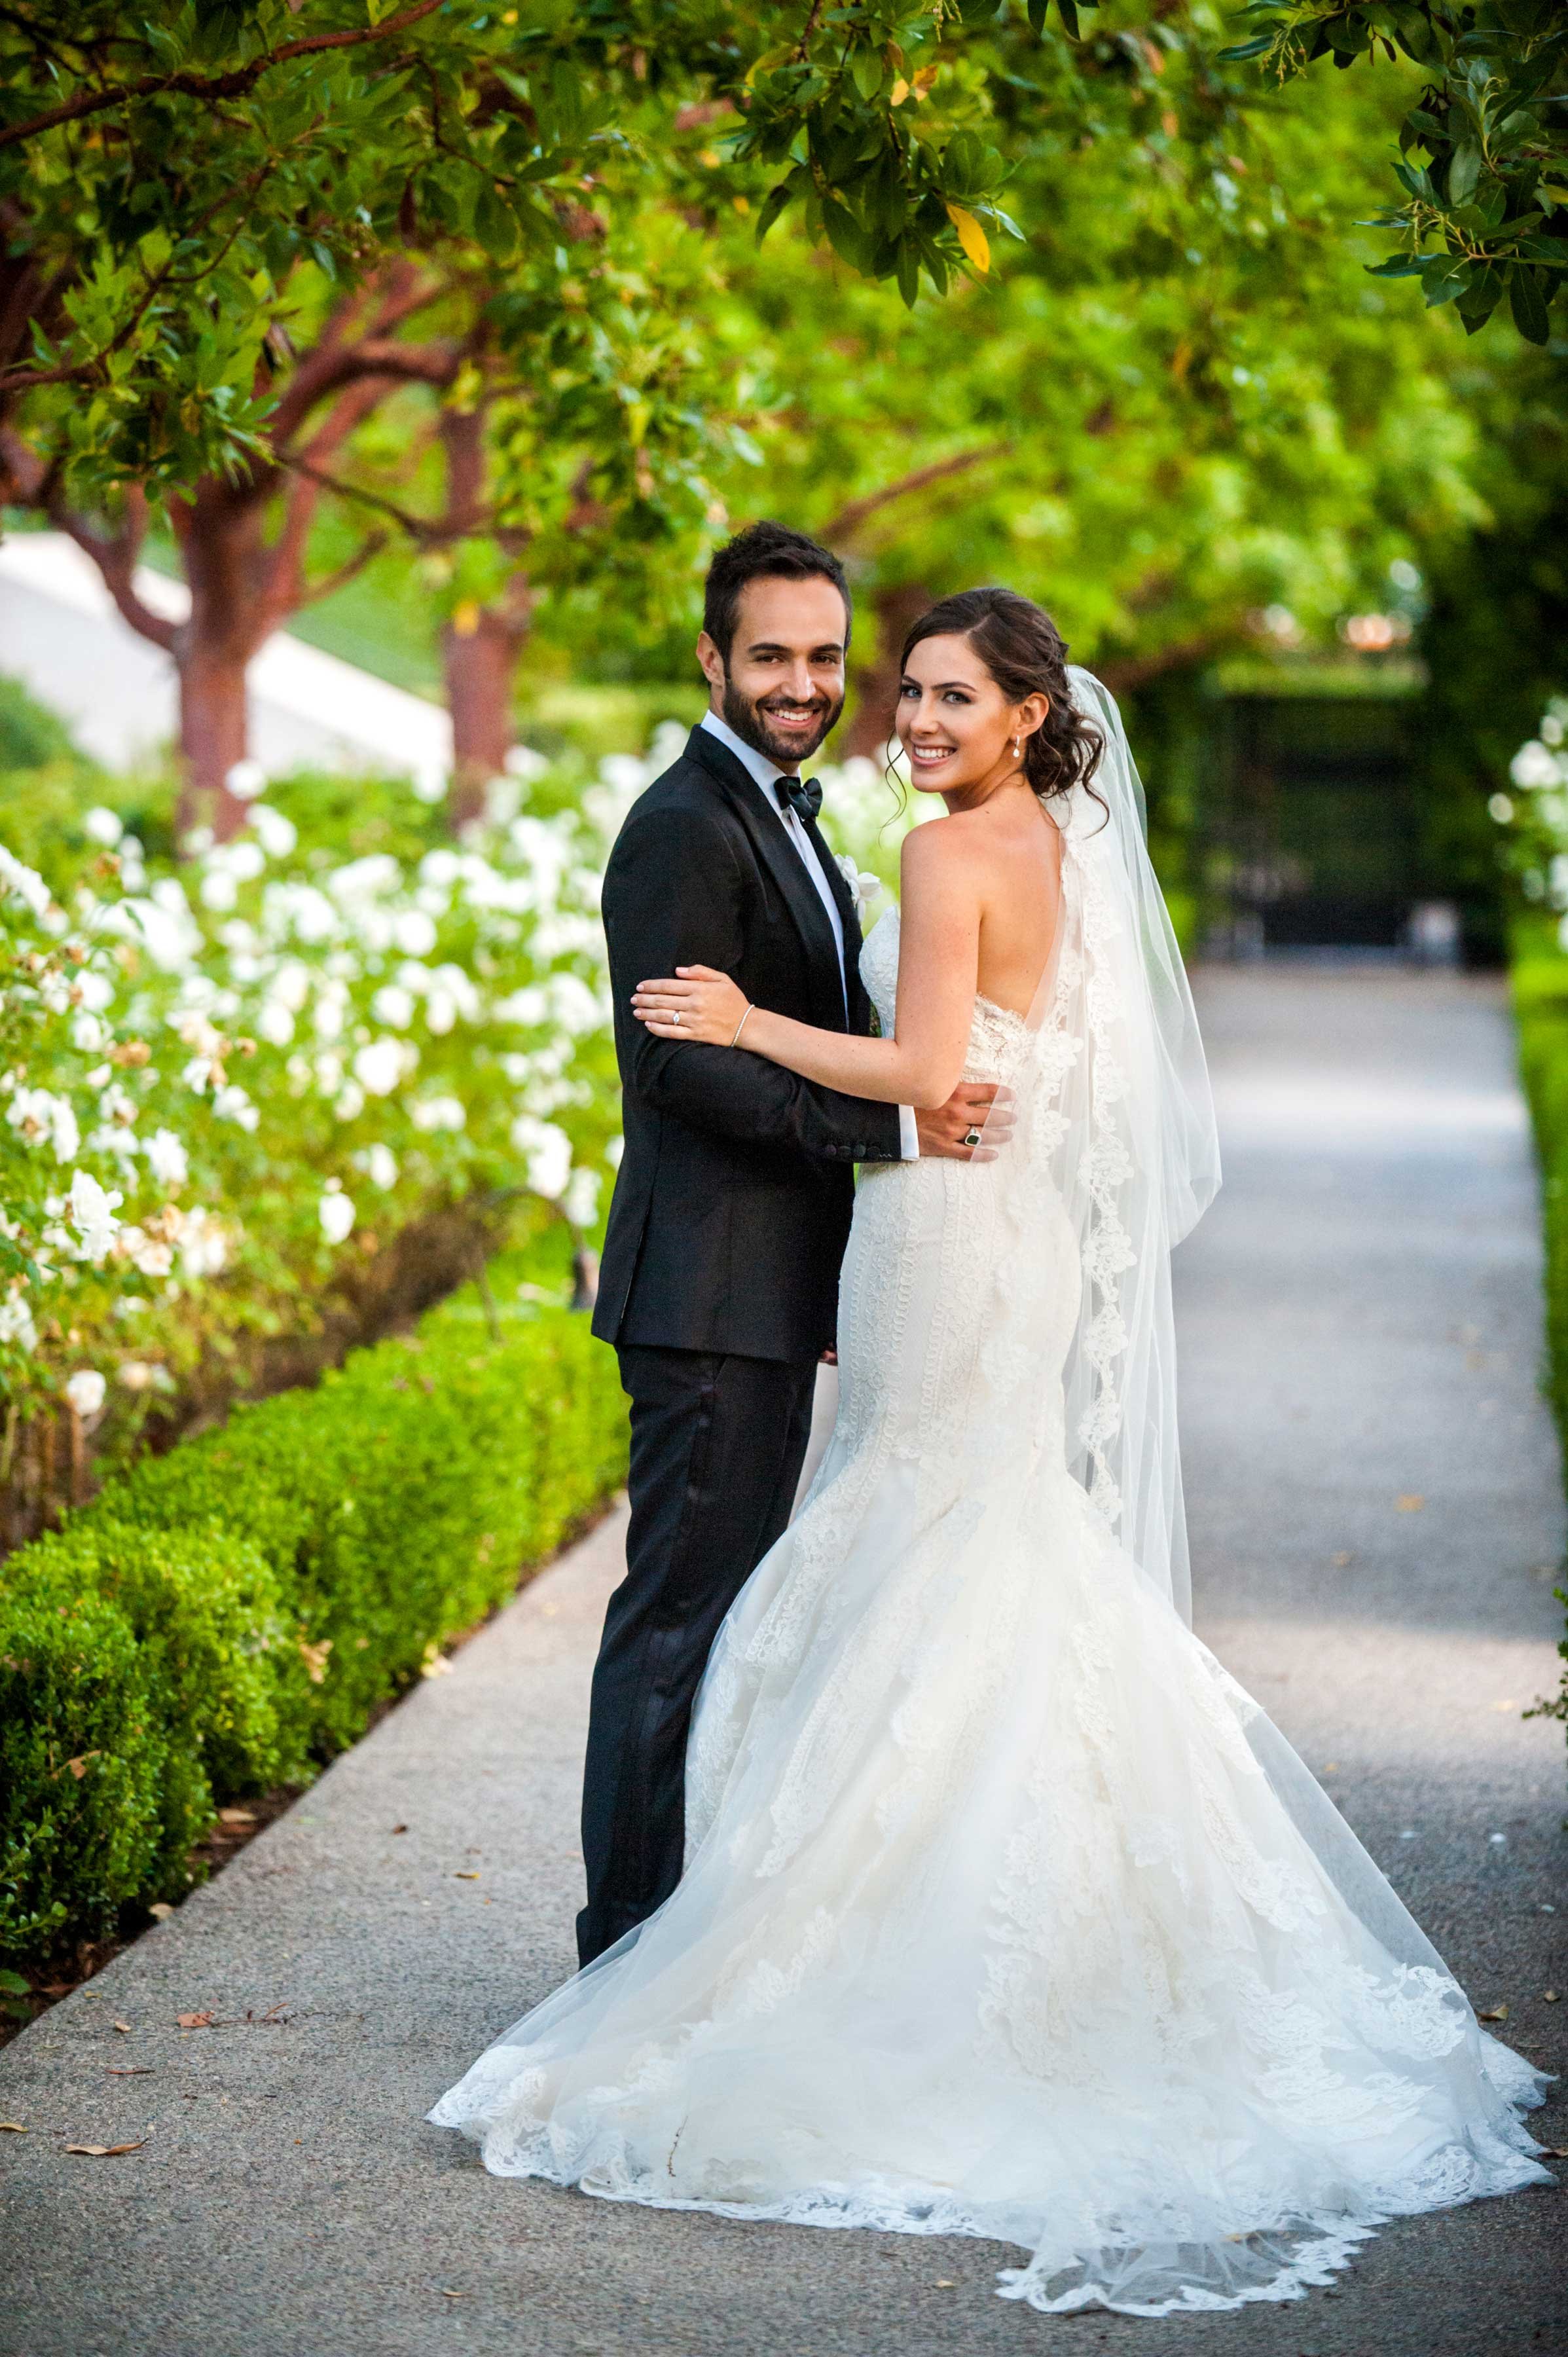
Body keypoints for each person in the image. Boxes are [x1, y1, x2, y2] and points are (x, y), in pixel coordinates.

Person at [430, 586, 1548, 2316]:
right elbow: (1000, 1072)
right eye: (910, 692)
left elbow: (928, 1065)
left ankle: (856, 1963)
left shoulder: (955, 856)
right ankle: (1003, 1941)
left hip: (941, 1241)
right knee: (978, 1558)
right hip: (988, 1242)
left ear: (1028, 710)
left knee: (919, 1557)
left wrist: (743, 1024)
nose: (914, 718)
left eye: (952, 696)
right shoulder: (1040, 841)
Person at [574, 522, 1011, 1969]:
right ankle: (624, 1948)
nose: (803, 683)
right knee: (679, 1624)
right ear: (711, 657)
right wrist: (890, 1141)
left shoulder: (786, 809)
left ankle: (678, 1922)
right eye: (771, 655)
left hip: (768, 1289)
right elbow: (682, 1075)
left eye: (825, 657)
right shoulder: (683, 827)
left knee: (725, 1618)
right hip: (705, 1297)